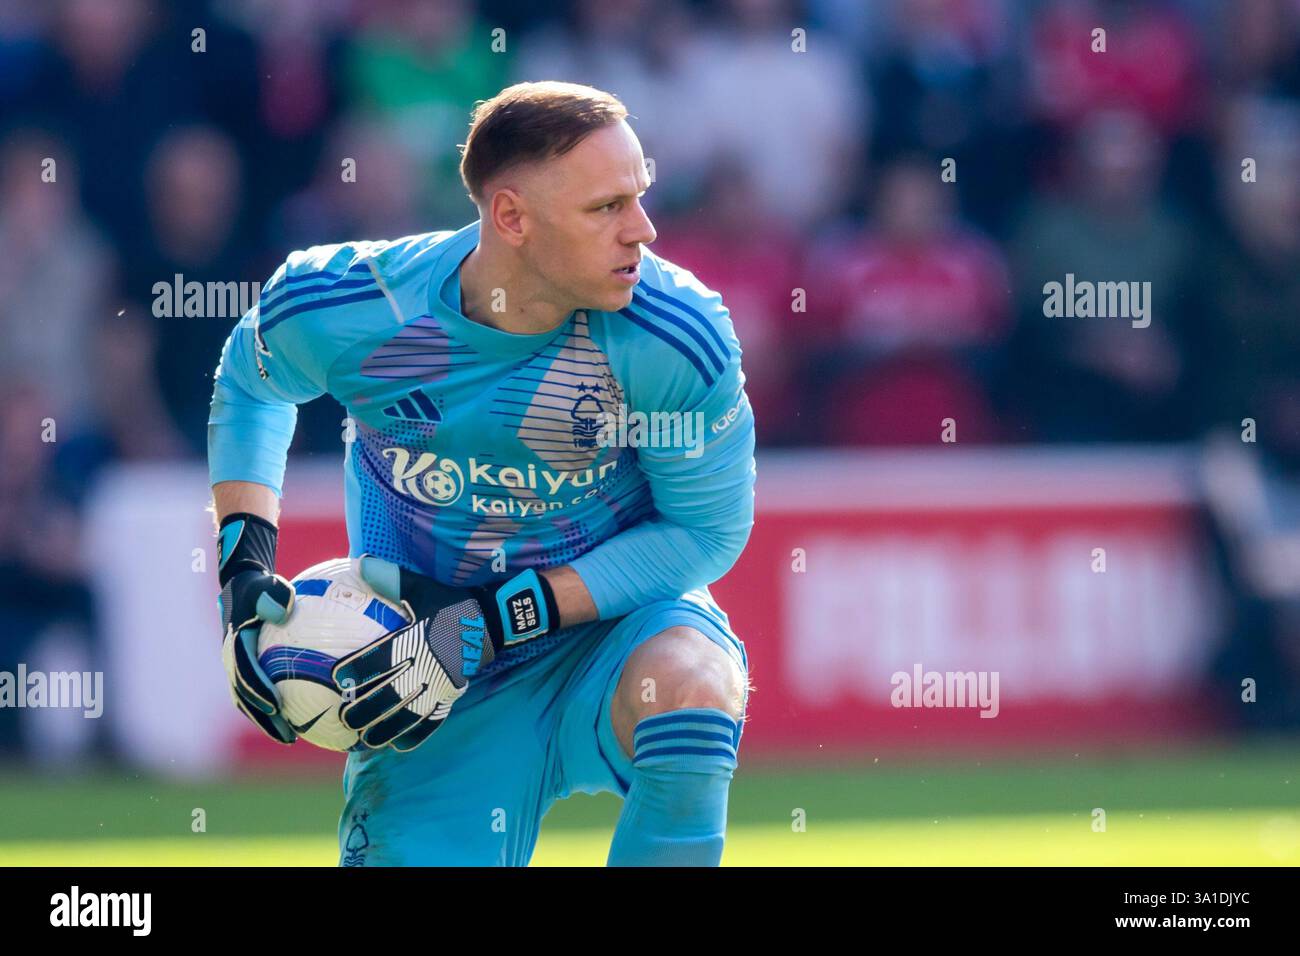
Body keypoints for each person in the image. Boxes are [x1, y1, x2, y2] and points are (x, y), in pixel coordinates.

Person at [207, 81, 755, 866]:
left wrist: (491, 620)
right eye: (607, 208)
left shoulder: (673, 337)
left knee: (693, 686)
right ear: (511, 219)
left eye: (640, 197)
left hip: (613, 635)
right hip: (427, 674)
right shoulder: (366, 307)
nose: (644, 230)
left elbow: (707, 531)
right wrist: (243, 565)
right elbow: (252, 377)